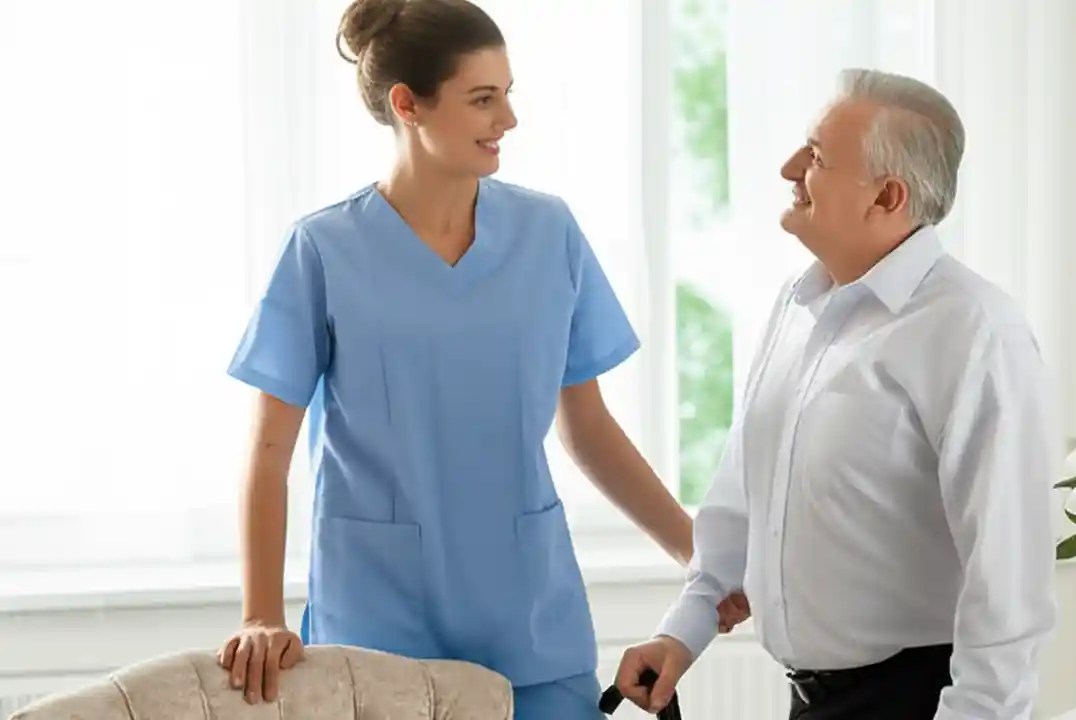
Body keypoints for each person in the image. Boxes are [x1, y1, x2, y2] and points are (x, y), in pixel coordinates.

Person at [213, 1, 734, 717]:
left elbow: (587, 428)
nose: (508, 119)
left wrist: (703, 561)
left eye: (507, 94)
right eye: (483, 99)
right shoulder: (324, 252)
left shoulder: (547, 234)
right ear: (408, 105)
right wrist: (260, 614)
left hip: (529, 621)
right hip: (376, 625)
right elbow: (268, 452)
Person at [613, 68, 1059, 719]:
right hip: (812, 702)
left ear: (887, 196)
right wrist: (683, 630)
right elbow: (746, 493)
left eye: (817, 156)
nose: (790, 168)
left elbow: (1008, 575)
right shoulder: (797, 305)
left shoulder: (974, 330)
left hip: (919, 702)